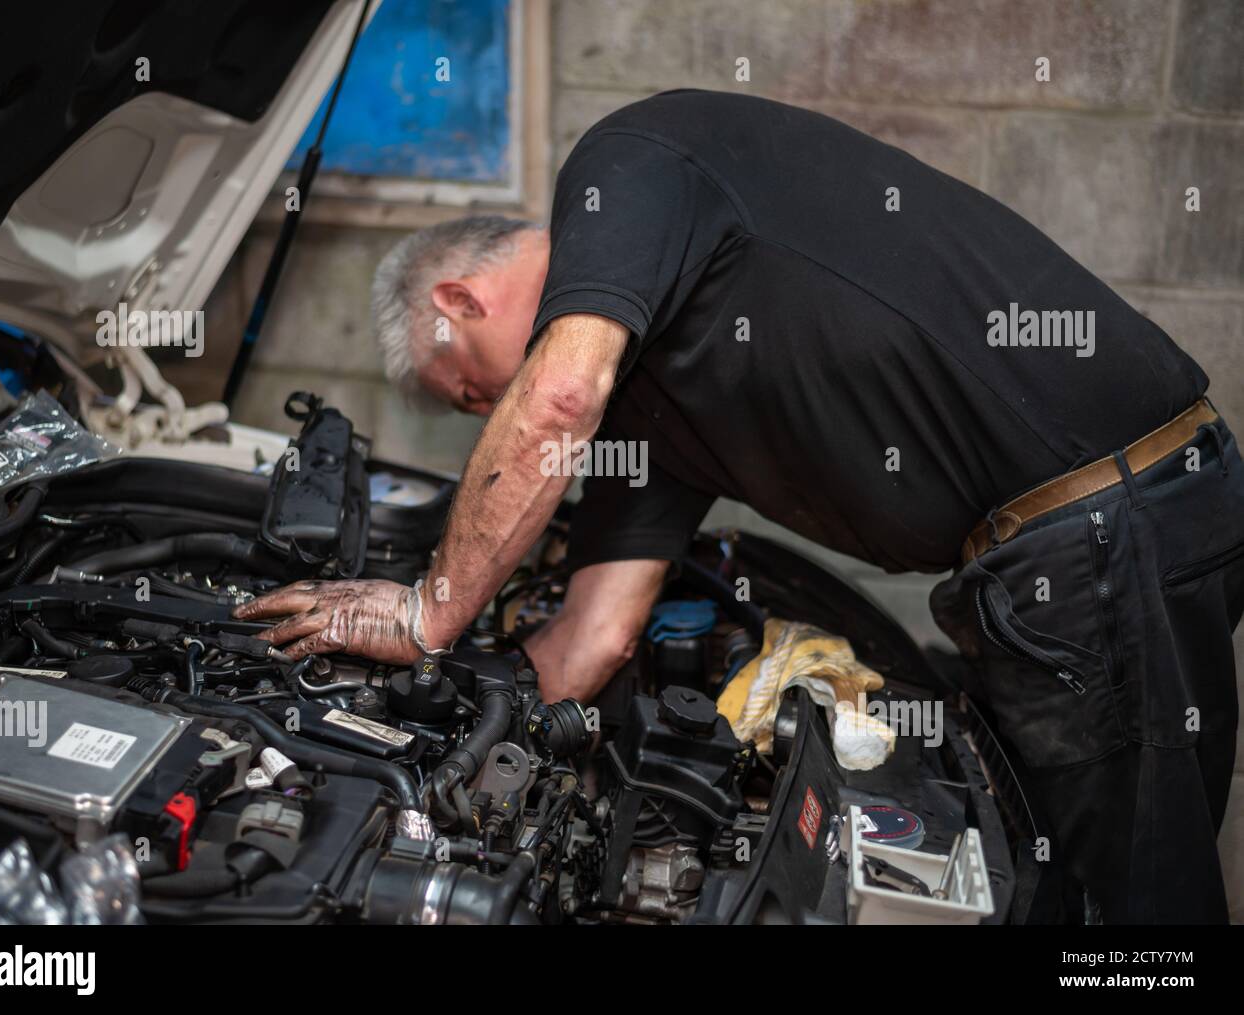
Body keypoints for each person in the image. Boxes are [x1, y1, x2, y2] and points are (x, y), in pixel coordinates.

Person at [234, 90, 1242, 923]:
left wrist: (426, 610)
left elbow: (555, 398)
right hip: (1054, 566)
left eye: (464, 390)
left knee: (1138, 918)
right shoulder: (653, 407)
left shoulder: (624, 164)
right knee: (1055, 893)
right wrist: (436, 735)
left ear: (459, 299)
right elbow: (593, 634)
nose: (481, 412)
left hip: (1110, 521)